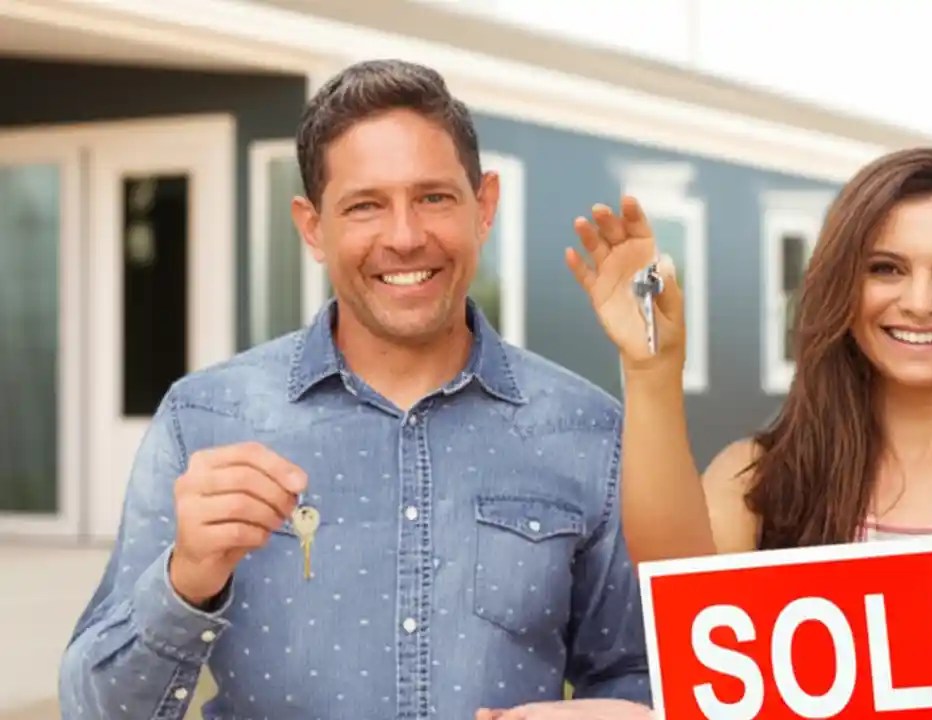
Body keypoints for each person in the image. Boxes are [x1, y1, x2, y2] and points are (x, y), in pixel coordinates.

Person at [58, 59, 652, 720]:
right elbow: (93, 708)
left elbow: (640, 673)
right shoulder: (204, 420)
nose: (404, 237)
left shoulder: (587, 431)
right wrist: (185, 580)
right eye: (366, 205)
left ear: (483, 206)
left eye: (433, 197)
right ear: (313, 227)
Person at [568, 148, 932, 719]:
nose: (920, 302)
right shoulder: (764, 477)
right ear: (844, 288)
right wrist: (650, 370)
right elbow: (676, 594)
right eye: (886, 269)